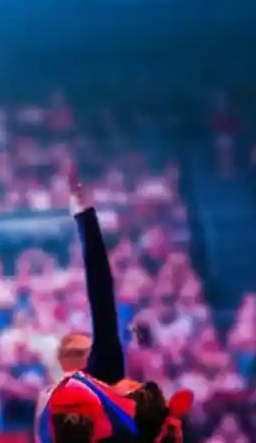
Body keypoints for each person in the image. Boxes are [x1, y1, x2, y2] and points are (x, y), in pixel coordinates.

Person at [38, 164, 194, 443]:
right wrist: (83, 214)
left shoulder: (116, 390)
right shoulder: (99, 380)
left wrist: (84, 214)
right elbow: (100, 288)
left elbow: (101, 288)